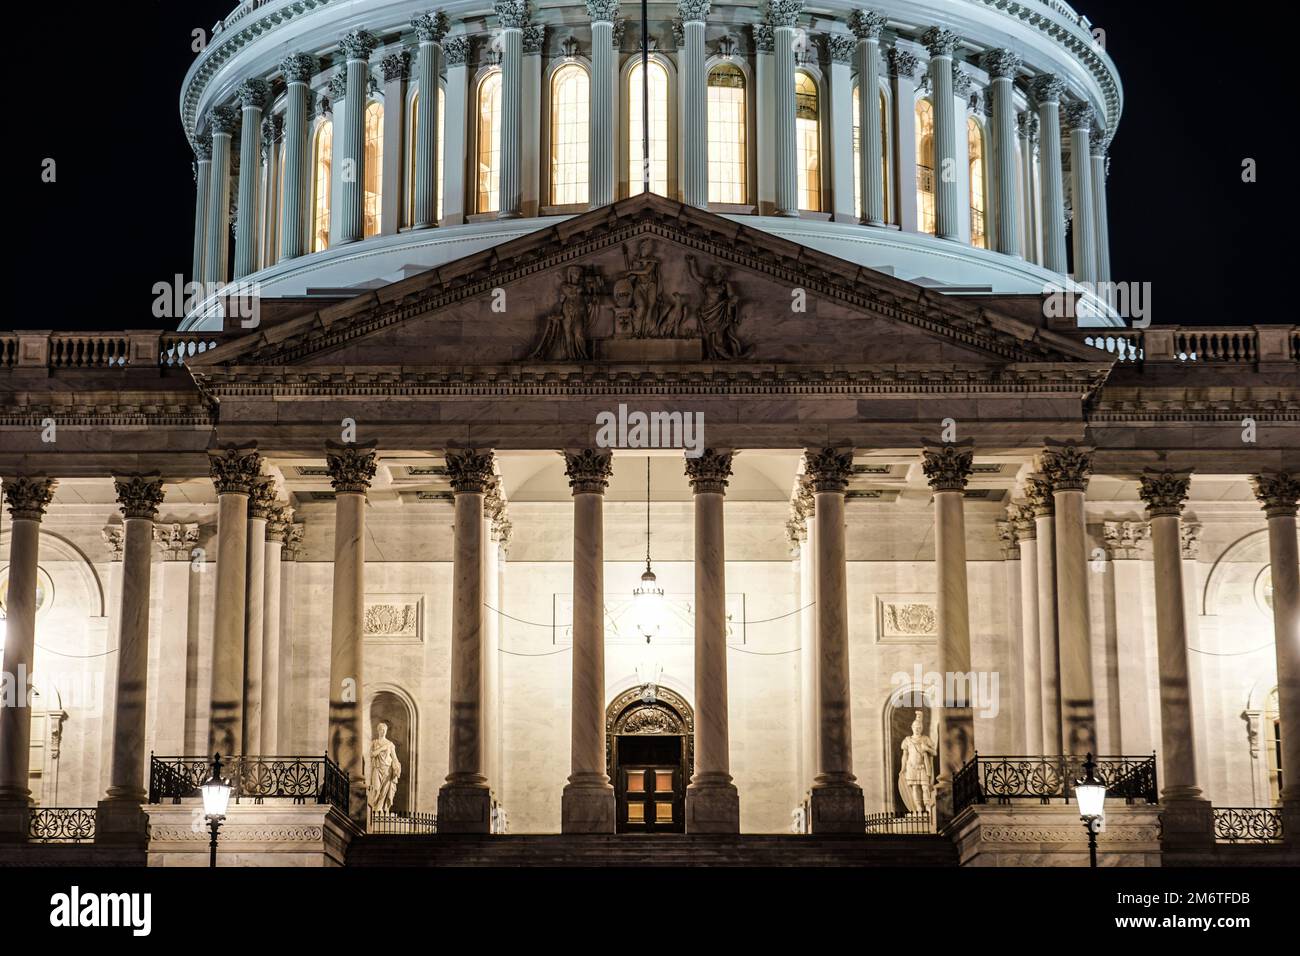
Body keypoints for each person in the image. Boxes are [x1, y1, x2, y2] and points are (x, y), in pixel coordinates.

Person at [367, 721, 402, 814]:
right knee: (376, 788)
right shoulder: (374, 743)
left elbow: (394, 758)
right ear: (378, 731)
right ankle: (373, 808)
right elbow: (371, 754)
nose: (383, 732)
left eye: (384, 730)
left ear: (386, 731)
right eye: (381, 730)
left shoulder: (390, 744)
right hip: (377, 768)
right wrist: (382, 748)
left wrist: (397, 766)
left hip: (387, 769)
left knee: (384, 792)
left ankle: (380, 809)